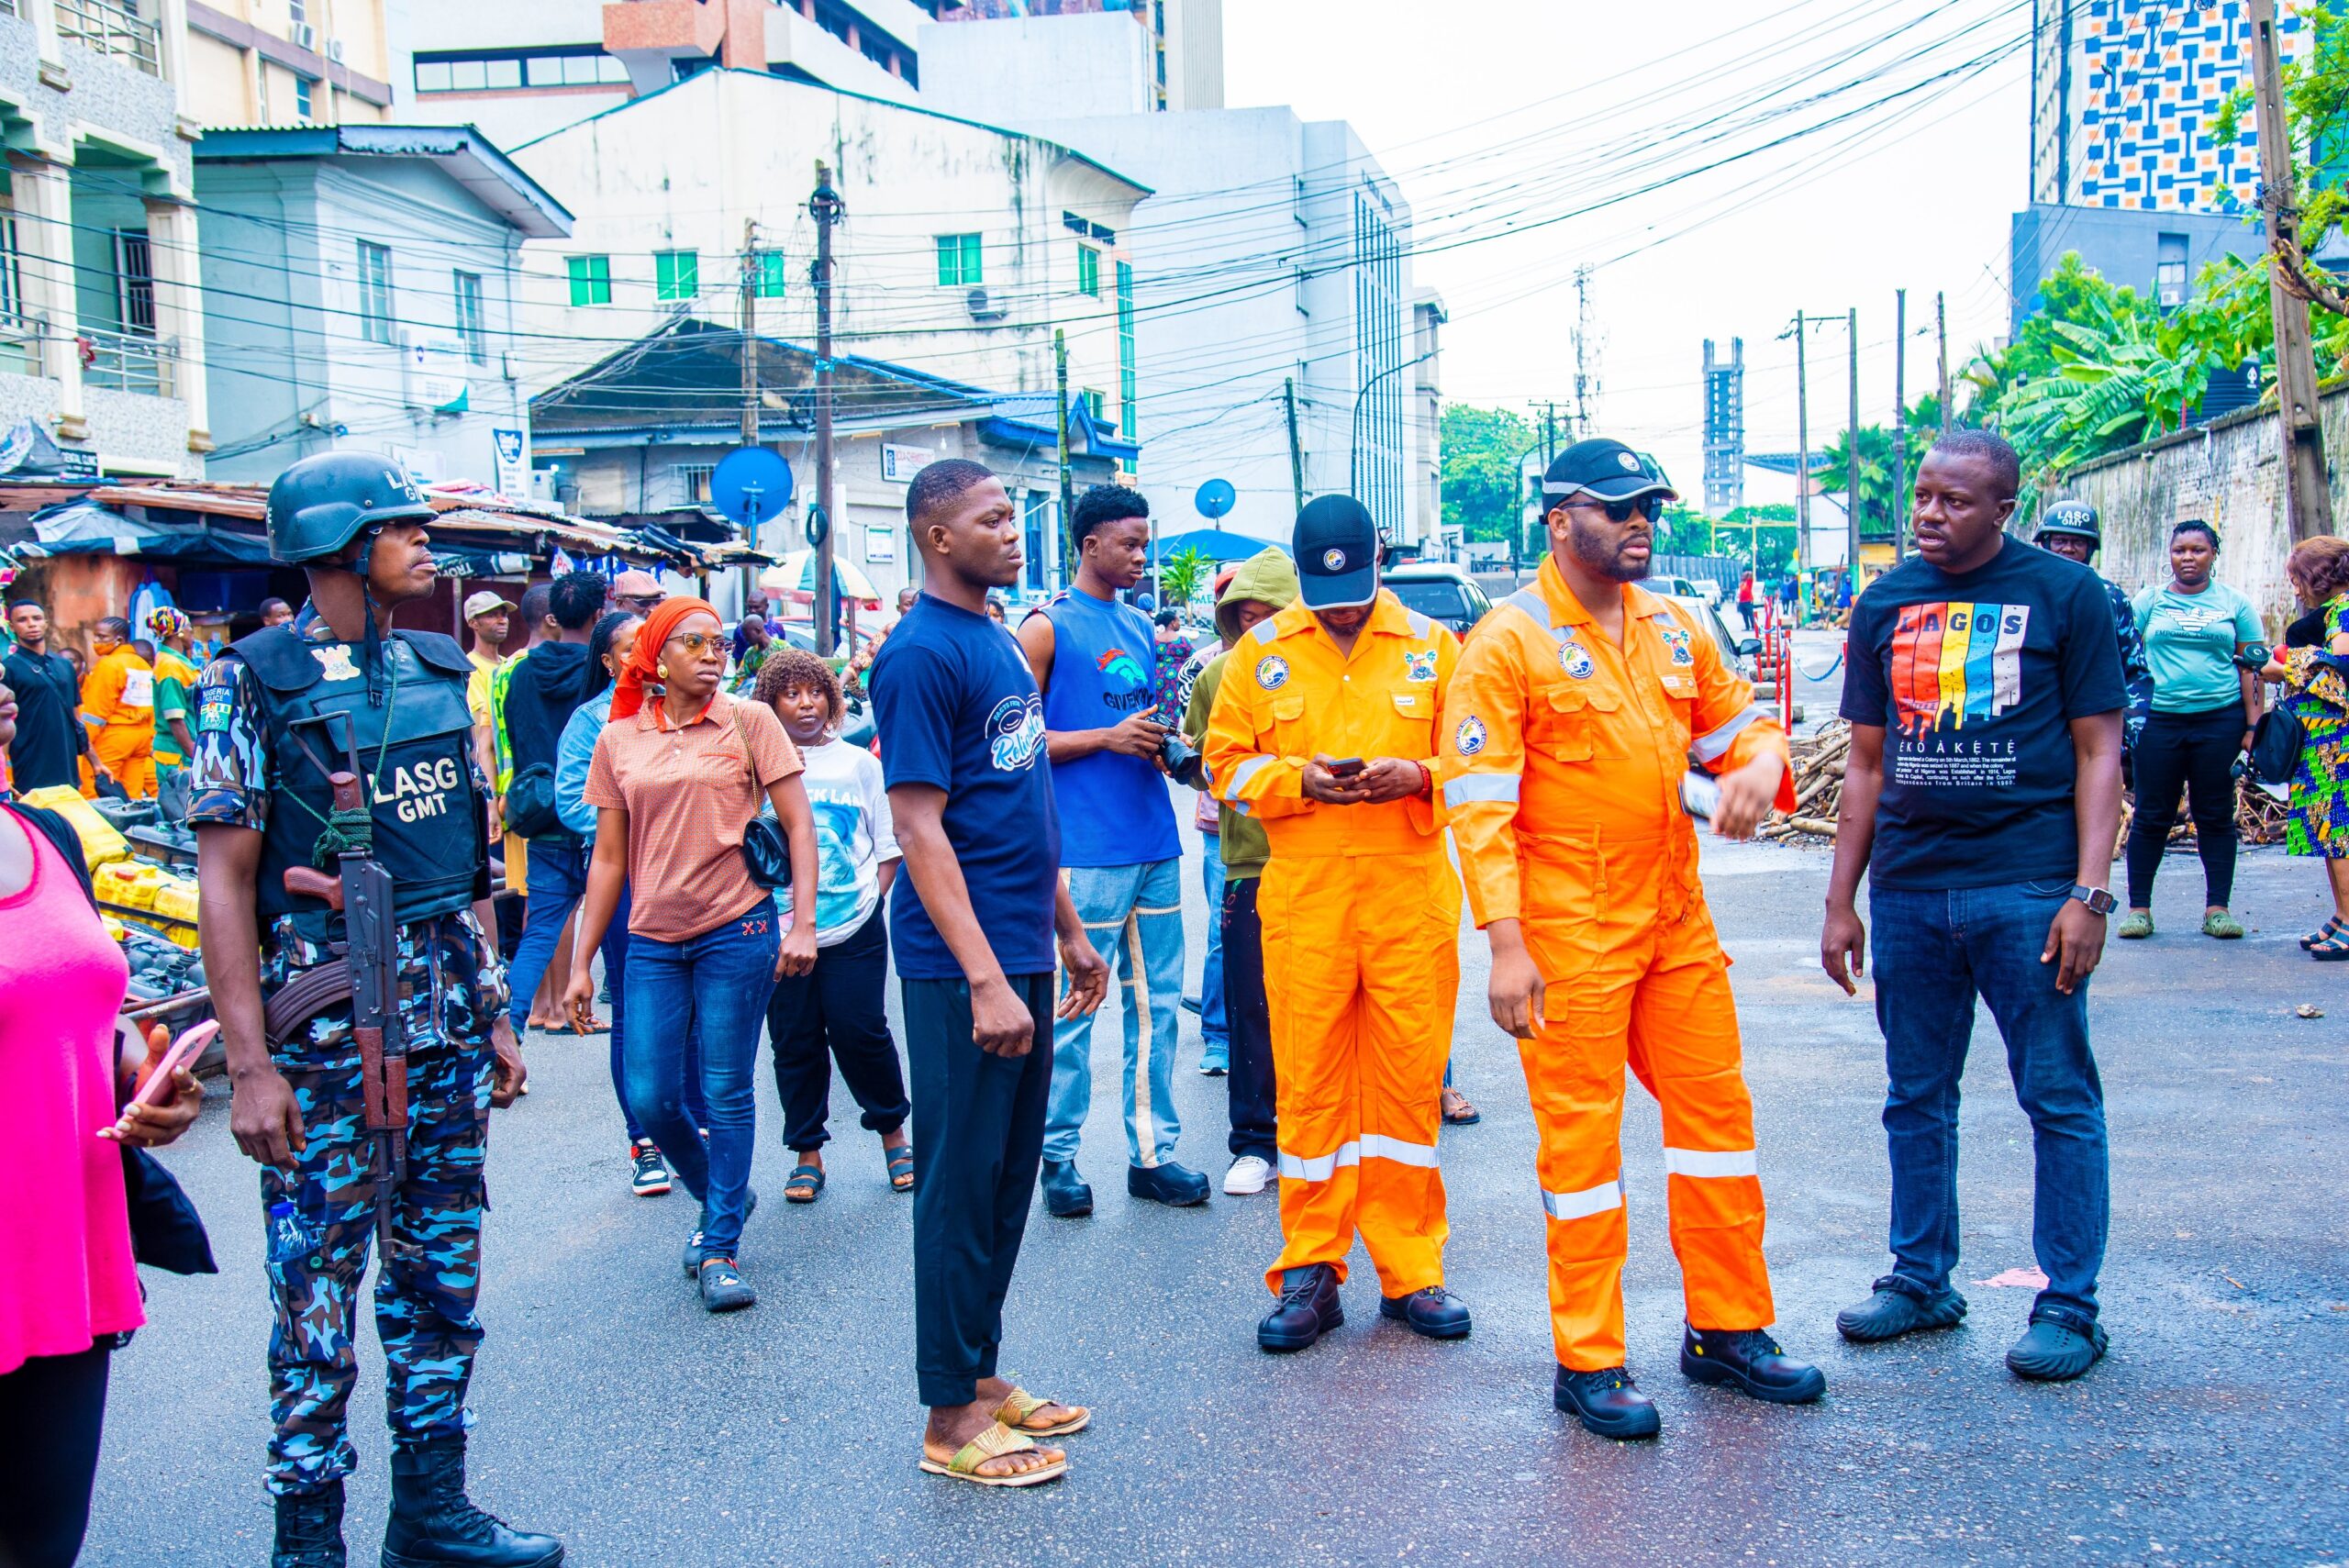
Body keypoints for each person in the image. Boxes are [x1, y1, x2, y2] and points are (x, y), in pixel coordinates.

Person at [186, 450, 560, 1568]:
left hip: (447, 1030)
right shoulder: (248, 681)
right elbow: (224, 880)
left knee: (441, 1280)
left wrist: (497, 1011)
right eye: (401, 527)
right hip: (324, 1042)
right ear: (340, 546)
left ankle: (431, 1512)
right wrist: (250, 1067)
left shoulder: (439, 668)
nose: (423, 543)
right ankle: (308, 1542)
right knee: (315, 1300)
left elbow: (468, 862)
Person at [1445, 439, 1819, 1440]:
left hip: (1674, 919)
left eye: (1648, 503)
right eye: (1616, 507)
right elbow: (1478, 809)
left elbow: (1740, 725)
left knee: (1716, 1125)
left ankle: (1727, 1327)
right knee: (1583, 1147)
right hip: (1569, 931)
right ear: (1559, 520)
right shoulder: (1508, 643)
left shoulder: (1674, 625)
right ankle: (1590, 1357)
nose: (1639, 520)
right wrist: (1506, 944)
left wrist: (1759, 763)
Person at [1822, 429, 2124, 1385]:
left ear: (2003, 508)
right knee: (1915, 1094)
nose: (1929, 513)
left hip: (2027, 886)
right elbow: (1865, 762)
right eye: (1922, 495)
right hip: (1911, 888)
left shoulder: (2065, 594)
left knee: (2057, 1095)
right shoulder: (1885, 601)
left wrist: (2088, 892)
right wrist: (1841, 900)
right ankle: (1920, 1279)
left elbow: (2099, 750)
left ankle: (2069, 1305)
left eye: (1954, 500)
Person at [868, 458, 1108, 1487]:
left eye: (1013, 515)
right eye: (993, 517)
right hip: (959, 964)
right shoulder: (920, 653)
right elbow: (918, 827)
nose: (1013, 531)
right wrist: (981, 977)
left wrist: (1067, 931)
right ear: (937, 536)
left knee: (1006, 1180)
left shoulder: (999, 639)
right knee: (959, 1185)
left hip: (1019, 946)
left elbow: (1022, 804)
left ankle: (979, 1372)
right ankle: (947, 1416)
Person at [1203, 495, 1472, 1355]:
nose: (1342, 611)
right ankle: (1311, 1270)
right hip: (1306, 899)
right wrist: (1297, 780)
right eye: (1325, 600)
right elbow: (1223, 765)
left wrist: (1418, 775)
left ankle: (1411, 1269)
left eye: (1354, 593)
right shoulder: (1261, 653)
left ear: (1378, 563)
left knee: (1407, 1082)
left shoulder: (1435, 646)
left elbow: (1480, 759)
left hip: (1408, 896)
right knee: (1310, 1085)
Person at [1, 681, 209, 1568]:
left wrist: (139, 1070)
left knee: (42, 1546)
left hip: (64, 1258)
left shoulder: (44, 832)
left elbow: (87, 1007)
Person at [565, 596, 820, 1313]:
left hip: (737, 927)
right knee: (650, 1095)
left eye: (718, 643)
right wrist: (581, 961)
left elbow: (799, 826)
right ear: (656, 657)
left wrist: (802, 922)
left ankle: (719, 1246)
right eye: (693, 643)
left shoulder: (750, 720)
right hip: (651, 937)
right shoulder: (618, 738)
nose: (712, 654)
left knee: (726, 1087)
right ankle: (723, 1193)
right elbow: (608, 858)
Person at [1015, 484, 1208, 1216]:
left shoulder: (1139, 625)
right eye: (1129, 543)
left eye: (1144, 544)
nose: (1140, 557)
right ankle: (1057, 1157)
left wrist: (1170, 749)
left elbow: (1141, 722)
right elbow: (1012, 742)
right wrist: (1105, 738)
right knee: (1075, 1009)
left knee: (1157, 1009)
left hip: (1154, 839)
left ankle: (1152, 1154)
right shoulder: (1045, 628)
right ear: (1089, 543)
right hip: (1083, 851)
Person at [755, 647, 914, 1200]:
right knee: (794, 1040)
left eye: (816, 692)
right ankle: (807, 1152)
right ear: (769, 704)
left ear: (833, 698)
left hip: (853, 928)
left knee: (861, 1033)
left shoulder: (858, 764)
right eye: (791, 694)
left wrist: (870, 902)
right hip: (778, 933)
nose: (806, 704)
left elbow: (889, 846)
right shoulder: (754, 768)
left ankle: (894, 1135)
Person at [556, 611, 705, 1196]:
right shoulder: (592, 722)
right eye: (627, 647)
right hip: (623, 876)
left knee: (695, 1004)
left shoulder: (692, 705)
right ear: (608, 660)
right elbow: (572, 804)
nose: (641, 654)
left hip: (691, 874)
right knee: (635, 1007)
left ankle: (696, 1127)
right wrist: (639, 821)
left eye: (650, 642)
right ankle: (643, 1141)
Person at [1179, 550, 1298, 1195]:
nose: (1258, 629)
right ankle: (1255, 1142)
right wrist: (1185, 761)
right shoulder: (1218, 674)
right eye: (1245, 617)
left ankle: (1329, 1136)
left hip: (1326, 859)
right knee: (1251, 1005)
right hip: (1249, 862)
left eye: (1270, 615)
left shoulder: (1328, 668)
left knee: (1332, 1006)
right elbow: (1204, 764)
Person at [2120, 519, 2265, 941]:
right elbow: (2124, 657)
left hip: (2219, 721)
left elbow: (2252, 669)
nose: (2187, 558)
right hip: (2157, 721)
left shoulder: (2234, 603)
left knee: (2215, 814)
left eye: (2197, 550)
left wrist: (2253, 726)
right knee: (2152, 814)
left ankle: (2217, 910)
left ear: (2213, 555)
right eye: (2179, 550)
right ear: (2169, 554)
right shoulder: (2149, 601)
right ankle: (2139, 910)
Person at [498, 572, 609, 1053]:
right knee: (621, 935)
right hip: (599, 820)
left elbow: (515, 739)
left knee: (539, 930)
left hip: (541, 815)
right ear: (598, 615)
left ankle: (508, 1036)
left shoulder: (520, 673)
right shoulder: (602, 672)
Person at [2268, 536, 2349, 959]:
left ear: (2320, 575)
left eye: (2298, 579)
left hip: (2338, 743)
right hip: (2323, 740)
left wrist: (2285, 668)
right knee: (2328, 832)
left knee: (2339, 833)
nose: (2297, 590)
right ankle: (2342, 914)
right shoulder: (2334, 612)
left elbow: (2341, 669)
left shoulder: (2345, 610)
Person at [2030, 501, 2154, 758]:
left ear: (2090, 548)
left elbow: (2134, 670)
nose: (2068, 549)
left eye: (2078, 542)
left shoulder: (2110, 597)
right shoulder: (2023, 593)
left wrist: (2125, 736)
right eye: (2060, 541)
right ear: (2045, 543)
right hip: (2036, 736)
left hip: (2094, 733)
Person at [1179, 566, 1241, 1079]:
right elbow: (1192, 743)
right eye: (1238, 607)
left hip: (1281, 827)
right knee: (1224, 932)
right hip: (1220, 824)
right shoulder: (1203, 667)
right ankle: (1217, 1034)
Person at [4, 598, 92, 792]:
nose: (31, 624)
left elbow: (76, 718)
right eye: (22, 620)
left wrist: (95, 761)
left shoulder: (65, 666)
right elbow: (4, 724)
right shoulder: (8, 669)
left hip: (67, 763)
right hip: (29, 764)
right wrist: (3, 776)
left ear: (46, 622)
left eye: (36, 618)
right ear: (11, 626)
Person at [81, 617, 157, 798]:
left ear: (119, 640)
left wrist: (84, 742)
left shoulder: (109, 665)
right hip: (141, 738)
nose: (96, 641)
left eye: (102, 637)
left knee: (96, 789)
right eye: (95, 636)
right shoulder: (142, 665)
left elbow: (96, 712)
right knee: (132, 794)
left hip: (113, 737)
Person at [146, 607, 203, 802]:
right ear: (178, 632)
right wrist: (193, 752)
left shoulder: (176, 661)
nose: (191, 631)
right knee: (179, 807)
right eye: (188, 626)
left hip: (183, 748)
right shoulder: (170, 665)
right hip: (177, 752)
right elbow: (174, 717)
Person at [731, 610, 774, 695]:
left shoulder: (782, 648)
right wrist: (726, 696)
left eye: (747, 634)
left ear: (758, 631)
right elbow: (738, 679)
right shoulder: (750, 654)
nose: (745, 638)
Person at [1736, 568, 1757, 632]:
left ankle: (1753, 626)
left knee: (1751, 614)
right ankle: (1747, 626)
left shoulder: (1748, 582)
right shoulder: (1741, 583)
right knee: (1744, 615)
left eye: (1743, 576)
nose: (1742, 577)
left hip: (1748, 601)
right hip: (1742, 601)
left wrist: (1747, 573)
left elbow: (1750, 574)